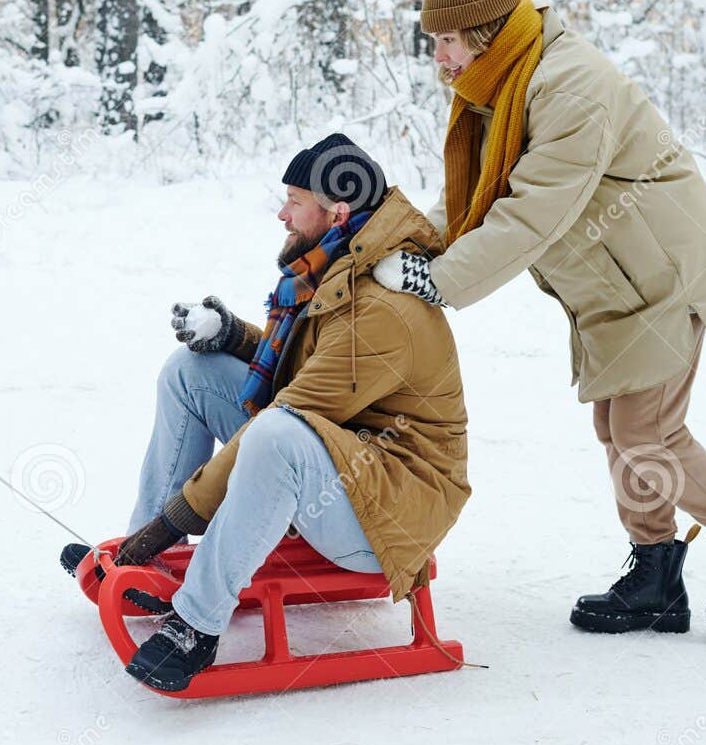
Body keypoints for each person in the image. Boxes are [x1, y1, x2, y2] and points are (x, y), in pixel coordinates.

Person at [373, 0, 706, 636]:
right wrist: (402, 243)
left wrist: (439, 281)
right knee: (622, 427)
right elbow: (474, 194)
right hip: (613, 287)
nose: (440, 58)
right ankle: (655, 571)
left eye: (448, 40)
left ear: (485, 31)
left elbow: (531, 211)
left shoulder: (569, 84)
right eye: (435, 42)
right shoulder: (497, 86)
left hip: (658, 277)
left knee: (646, 432)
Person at [62, 135, 470, 691]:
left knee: (277, 433)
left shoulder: (383, 307)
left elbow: (293, 409)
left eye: (295, 200)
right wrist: (232, 337)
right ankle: (148, 567)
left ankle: (196, 625)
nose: (282, 213)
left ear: (338, 210)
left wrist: (174, 520)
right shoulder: (340, 264)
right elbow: (308, 371)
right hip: (341, 458)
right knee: (192, 371)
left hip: (390, 507)